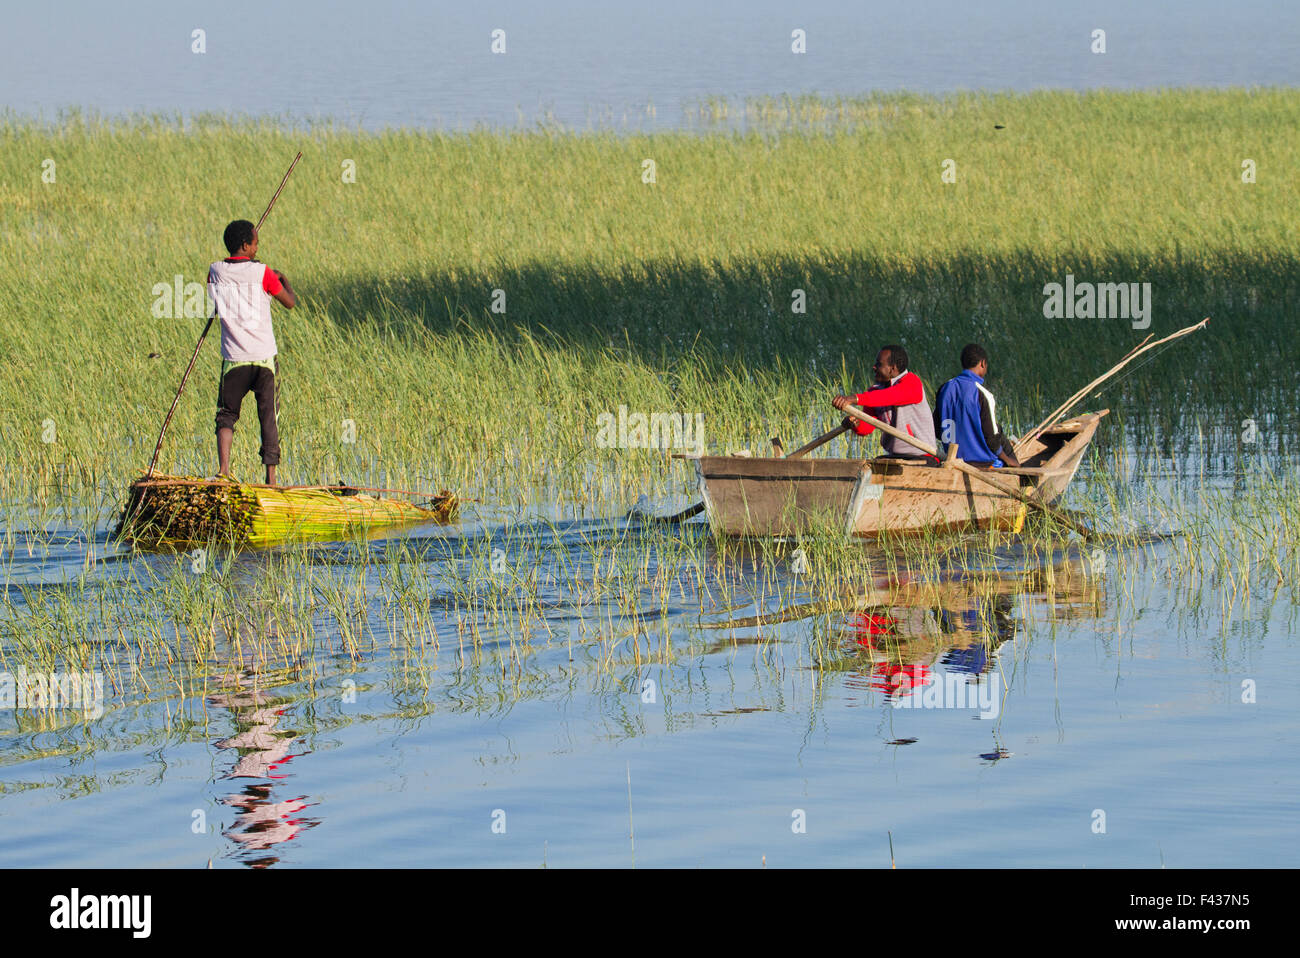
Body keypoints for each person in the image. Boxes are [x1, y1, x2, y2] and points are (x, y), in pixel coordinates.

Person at [207, 220, 297, 485]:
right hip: (264, 358)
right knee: (268, 416)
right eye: (255, 243)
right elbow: (290, 303)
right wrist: (283, 280)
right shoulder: (264, 273)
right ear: (245, 245)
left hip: (234, 358)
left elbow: (216, 295)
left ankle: (224, 471)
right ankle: (271, 480)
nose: (258, 247)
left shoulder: (215, 271)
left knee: (226, 414)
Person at [831, 344, 936, 459]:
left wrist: (854, 399)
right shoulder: (874, 391)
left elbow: (890, 396)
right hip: (895, 456)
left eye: (879, 364)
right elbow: (867, 427)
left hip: (923, 455)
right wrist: (855, 424)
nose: (874, 367)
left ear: (893, 368)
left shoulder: (912, 383)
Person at [932, 343, 1020, 468]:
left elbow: (936, 429)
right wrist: (1007, 459)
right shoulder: (982, 394)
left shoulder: (944, 388)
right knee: (998, 433)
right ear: (982, 364)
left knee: (996, 428)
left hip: (952, 458)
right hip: (981, 463)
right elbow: (992, 440)